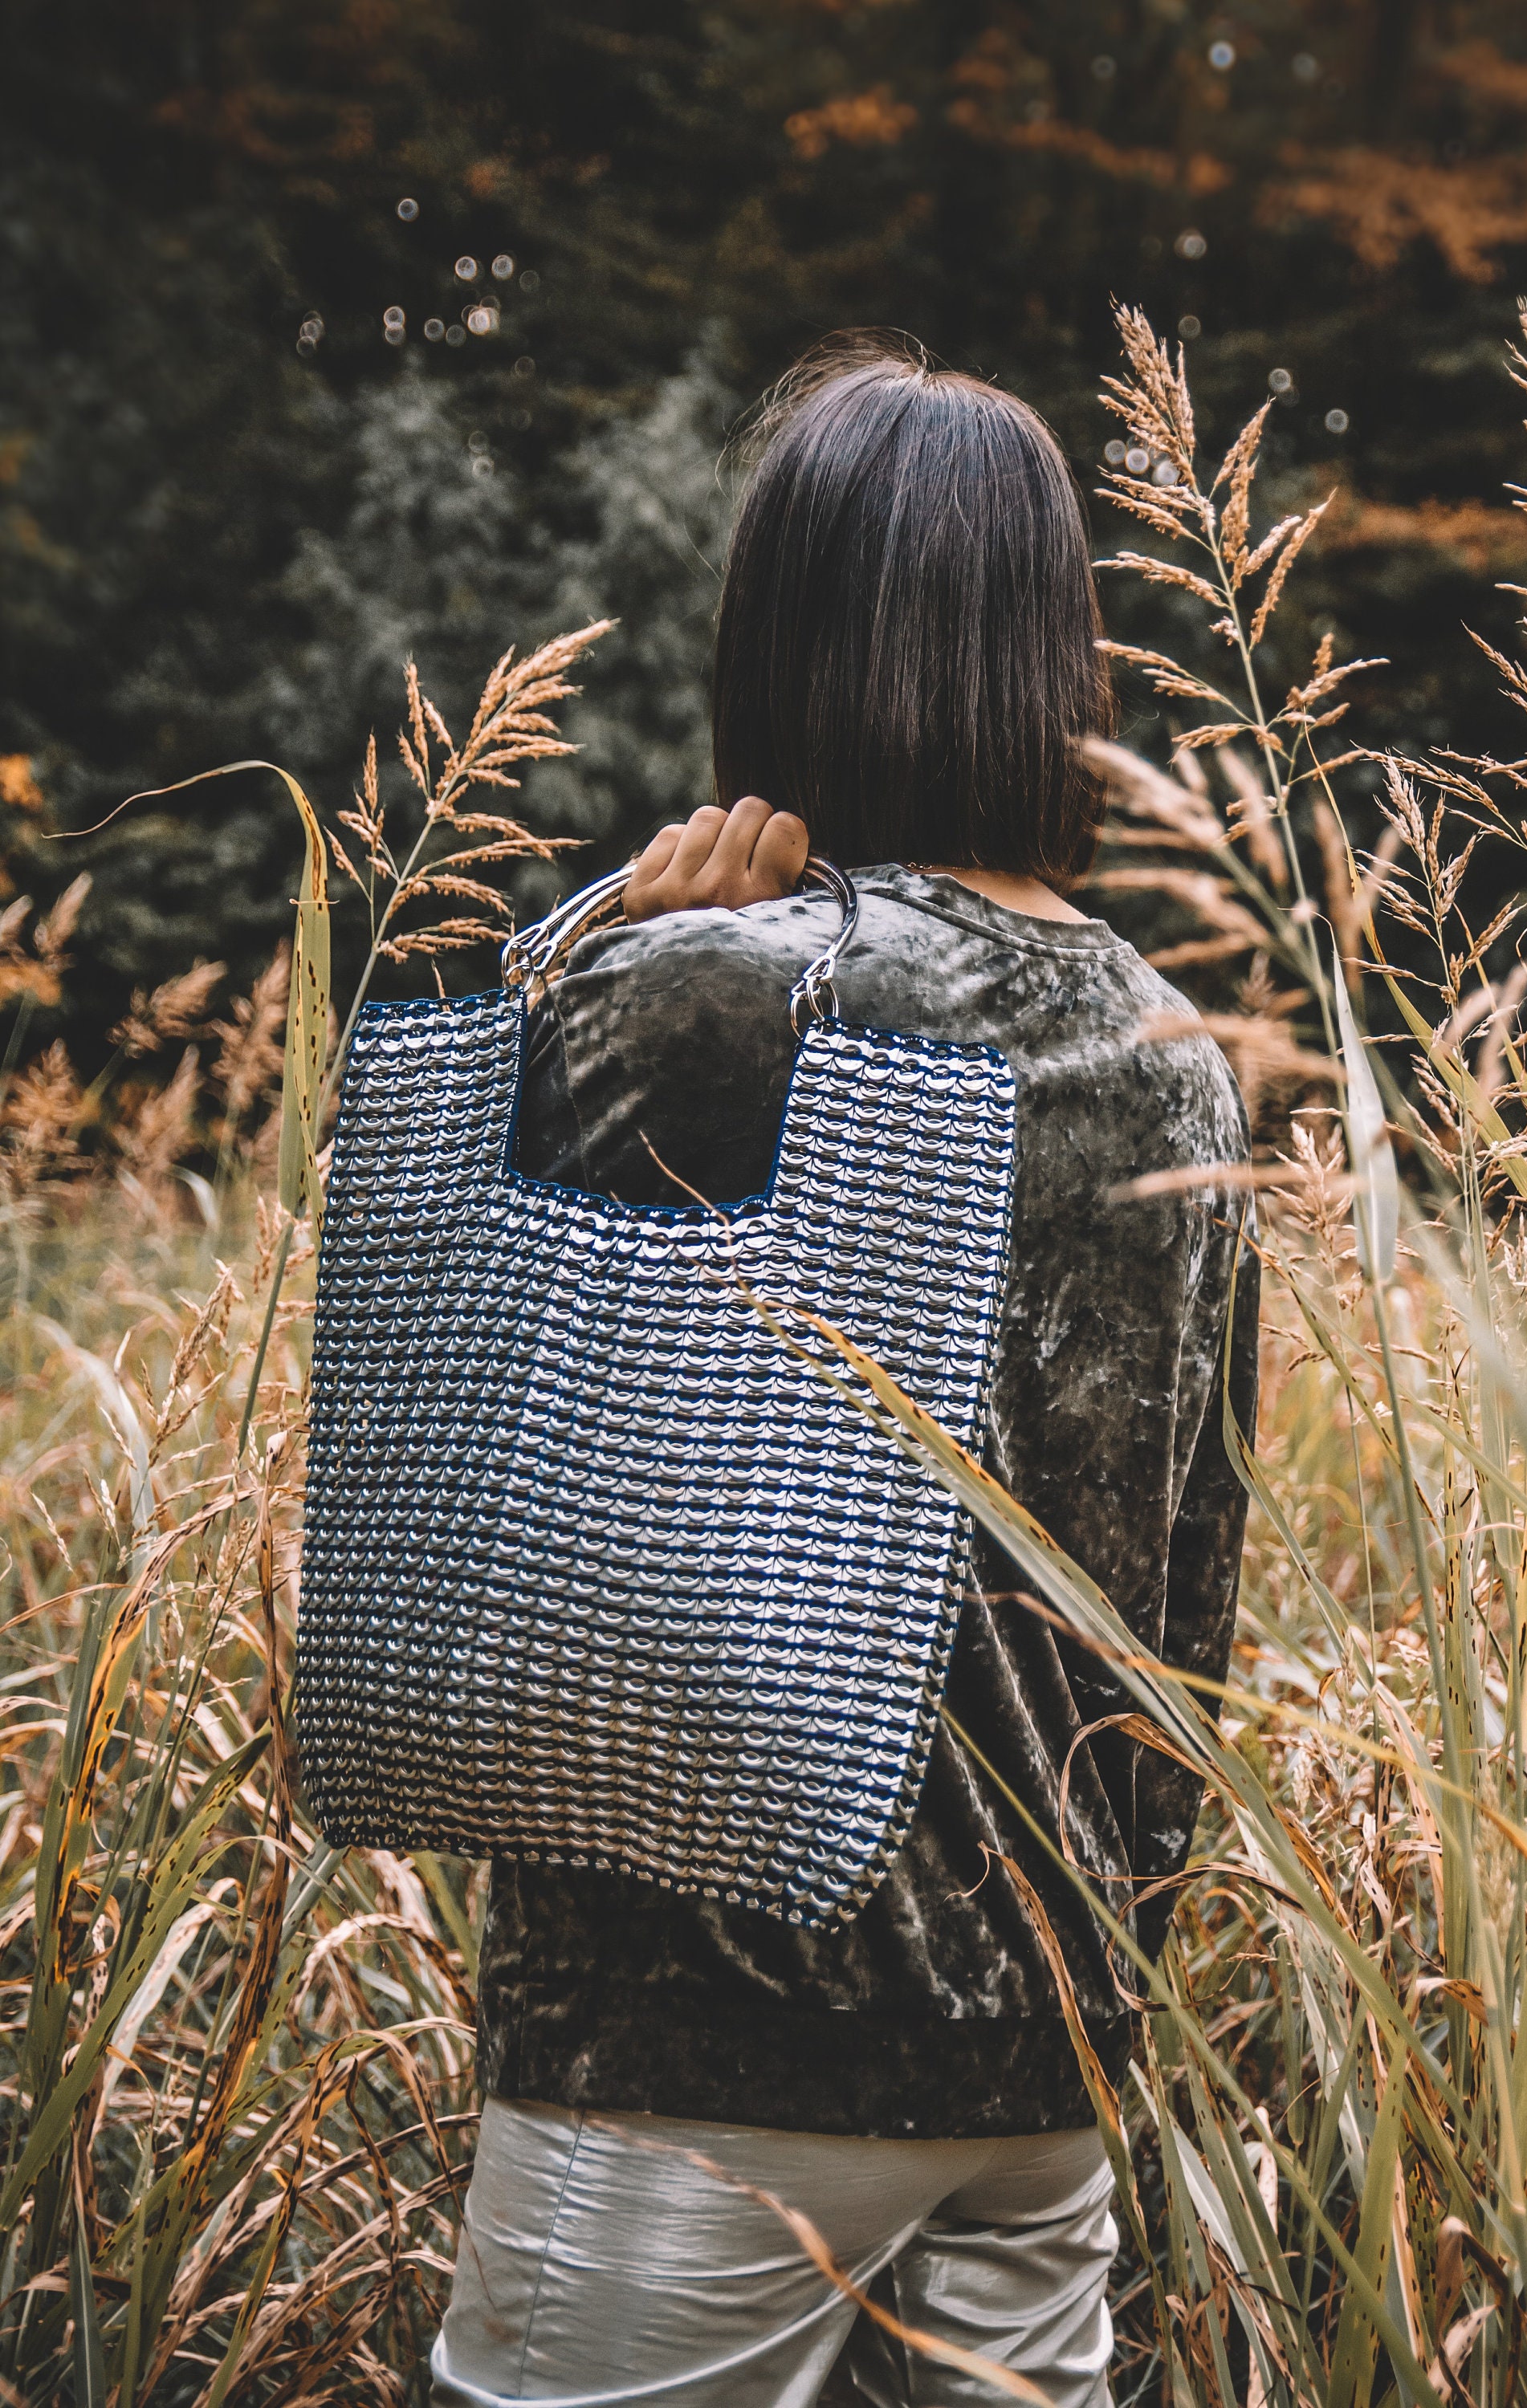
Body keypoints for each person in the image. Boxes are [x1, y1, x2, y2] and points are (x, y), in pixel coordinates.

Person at [430, 336, 1259, 2408]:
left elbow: (439, 1317)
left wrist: (606, 943)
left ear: (783, 637)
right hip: (1046, 2057)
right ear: (1050, 654)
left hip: (712, 2047)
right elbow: (1195, 1560)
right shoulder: (1182, 1049)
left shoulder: (718, 991)